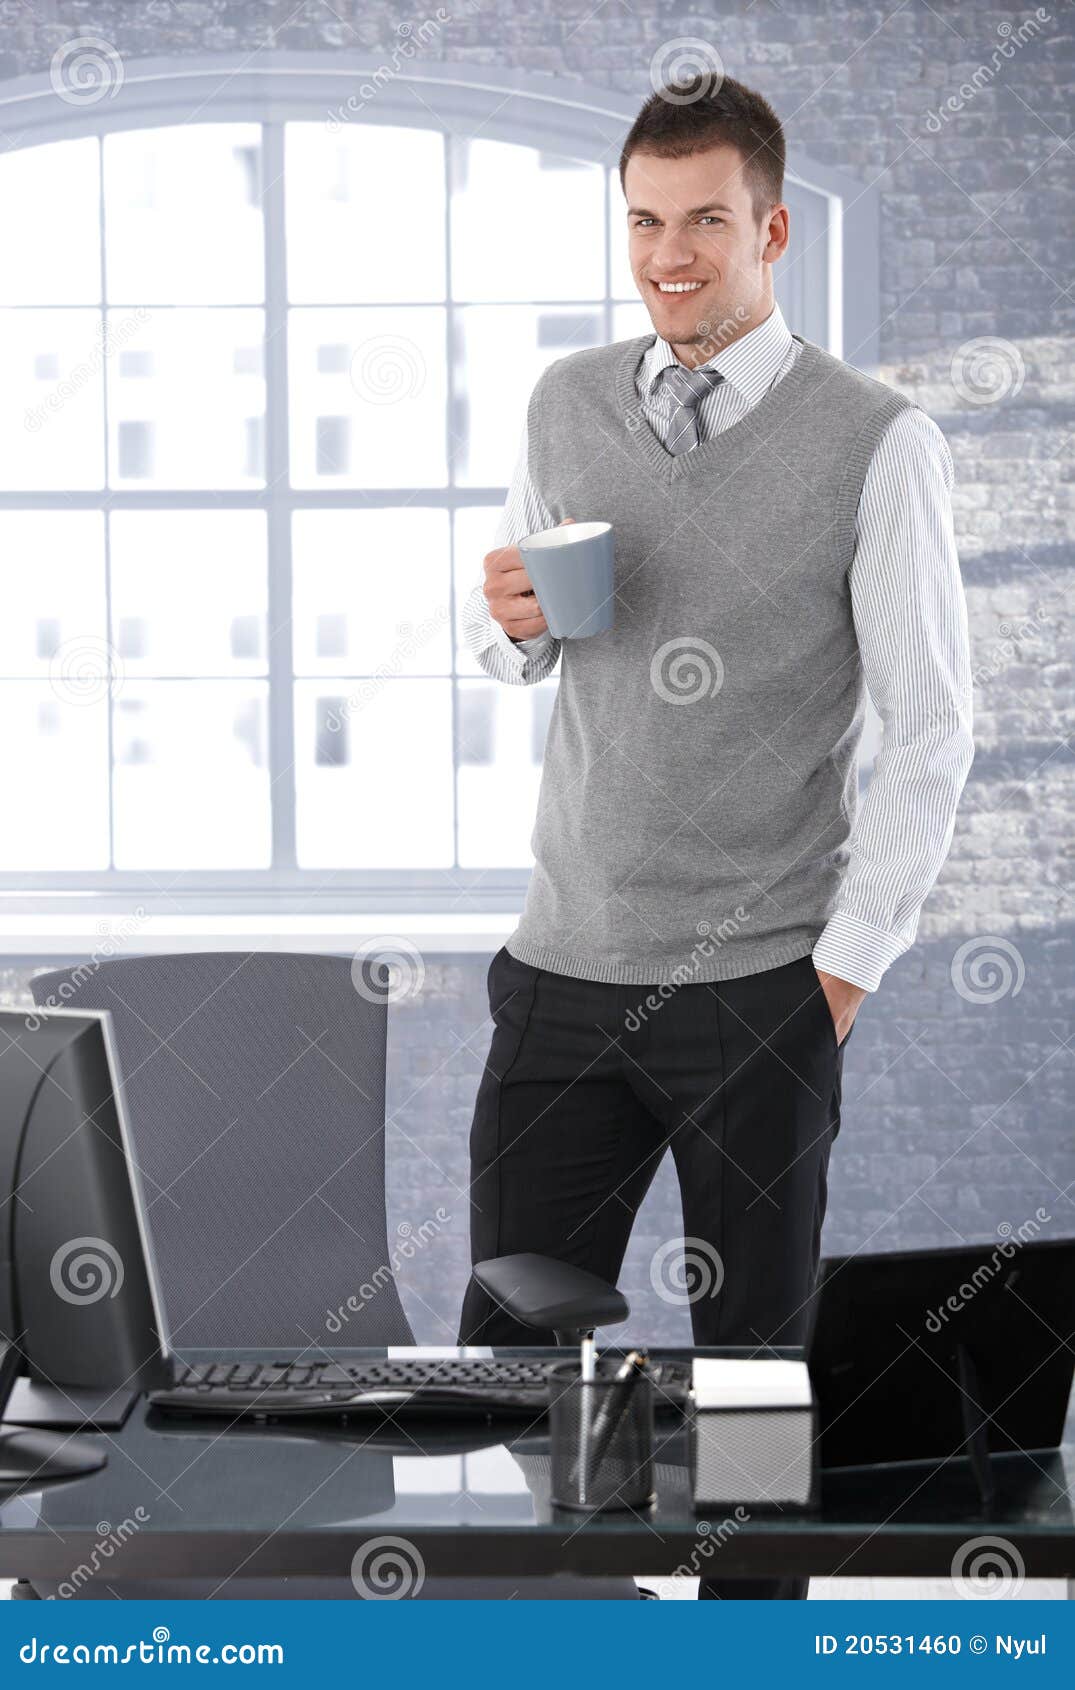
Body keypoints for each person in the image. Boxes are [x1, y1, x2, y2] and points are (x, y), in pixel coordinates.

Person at [457, 74, 974, 1599]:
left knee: (755, 1380)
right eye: (642, 222)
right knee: (520, 1359)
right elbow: (529, 647)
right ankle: (567, 1619)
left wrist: (843, 974)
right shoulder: (566, 400)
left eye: (702, 223)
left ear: (771, 231)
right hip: (558, 969)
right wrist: (506, 627)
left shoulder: (879, 443)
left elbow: (933, 727)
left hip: (763, 988)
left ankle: (745, 1639)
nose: (668, 255)